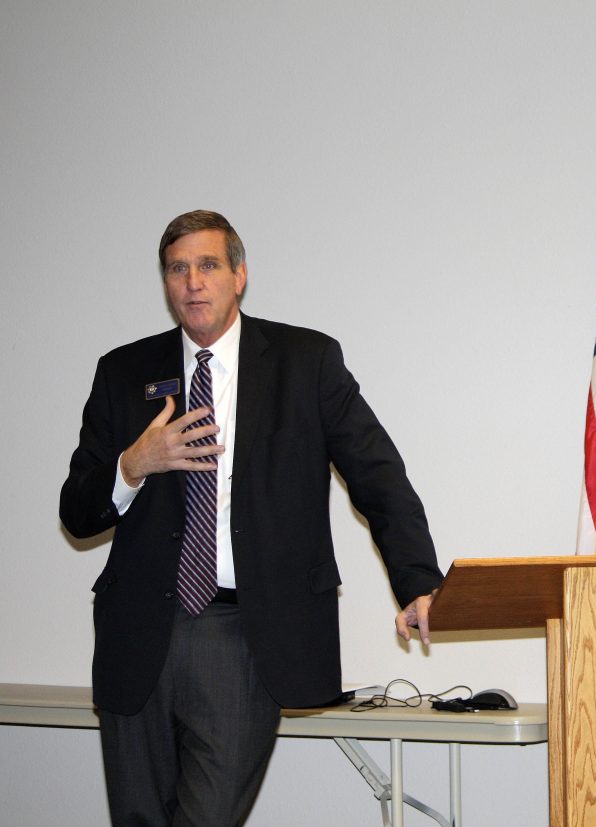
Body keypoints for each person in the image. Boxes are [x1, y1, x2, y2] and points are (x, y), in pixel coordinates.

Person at [59, 210, 443, 825]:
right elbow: (77, 514)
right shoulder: (123, 371)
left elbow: (379, 477)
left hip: (243, 632)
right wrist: (132, 465)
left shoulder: (305, 361)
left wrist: (419, 582)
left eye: (208, 265)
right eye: (178, 269)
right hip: (137, 632)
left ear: (240, 275)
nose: (192, 282)